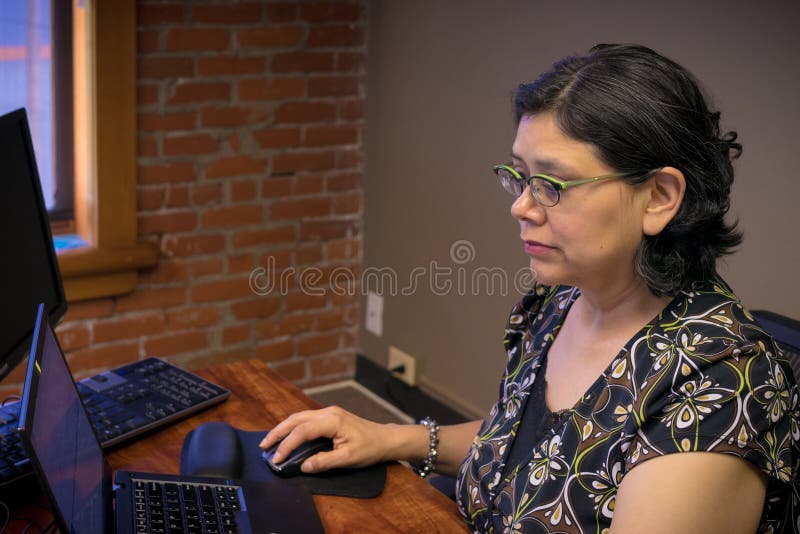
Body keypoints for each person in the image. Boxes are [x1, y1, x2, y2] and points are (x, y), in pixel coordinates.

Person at [260, 44, 799, 533]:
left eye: (552, 184)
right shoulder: (561, 300)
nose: (521, 205)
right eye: (518, 175)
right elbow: (528, 452)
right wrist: (394, 438)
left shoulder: (720, 386)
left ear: (658, 196)